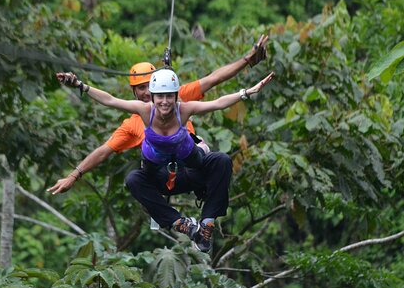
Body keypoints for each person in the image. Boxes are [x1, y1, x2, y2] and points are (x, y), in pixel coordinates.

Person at [52, 68, 275, 252]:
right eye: (160, 97)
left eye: (170, 96)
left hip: (190, 172)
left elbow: (218, 103)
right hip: (160, 178)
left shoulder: (184, 109)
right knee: (133, 179)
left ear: (177, 96)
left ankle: (206, 224)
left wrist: (246, 92)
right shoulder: (143, 112)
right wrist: (81, 85)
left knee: (222, 160)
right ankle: (183, 225)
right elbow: (109, 101)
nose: (165, 102)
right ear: (153, 97)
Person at [46, 35, 269, 196]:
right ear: (133, 91)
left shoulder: (175, 98)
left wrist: (247, 60)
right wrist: (74, 175)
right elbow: (104, 149)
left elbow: (213, 80)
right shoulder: (134, 122)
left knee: (210, 154)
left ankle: (206, 203)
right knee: (139, 176)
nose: (145, 93)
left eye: (148, 87)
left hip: (191, 166)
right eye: (139, 89)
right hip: (167, 175)